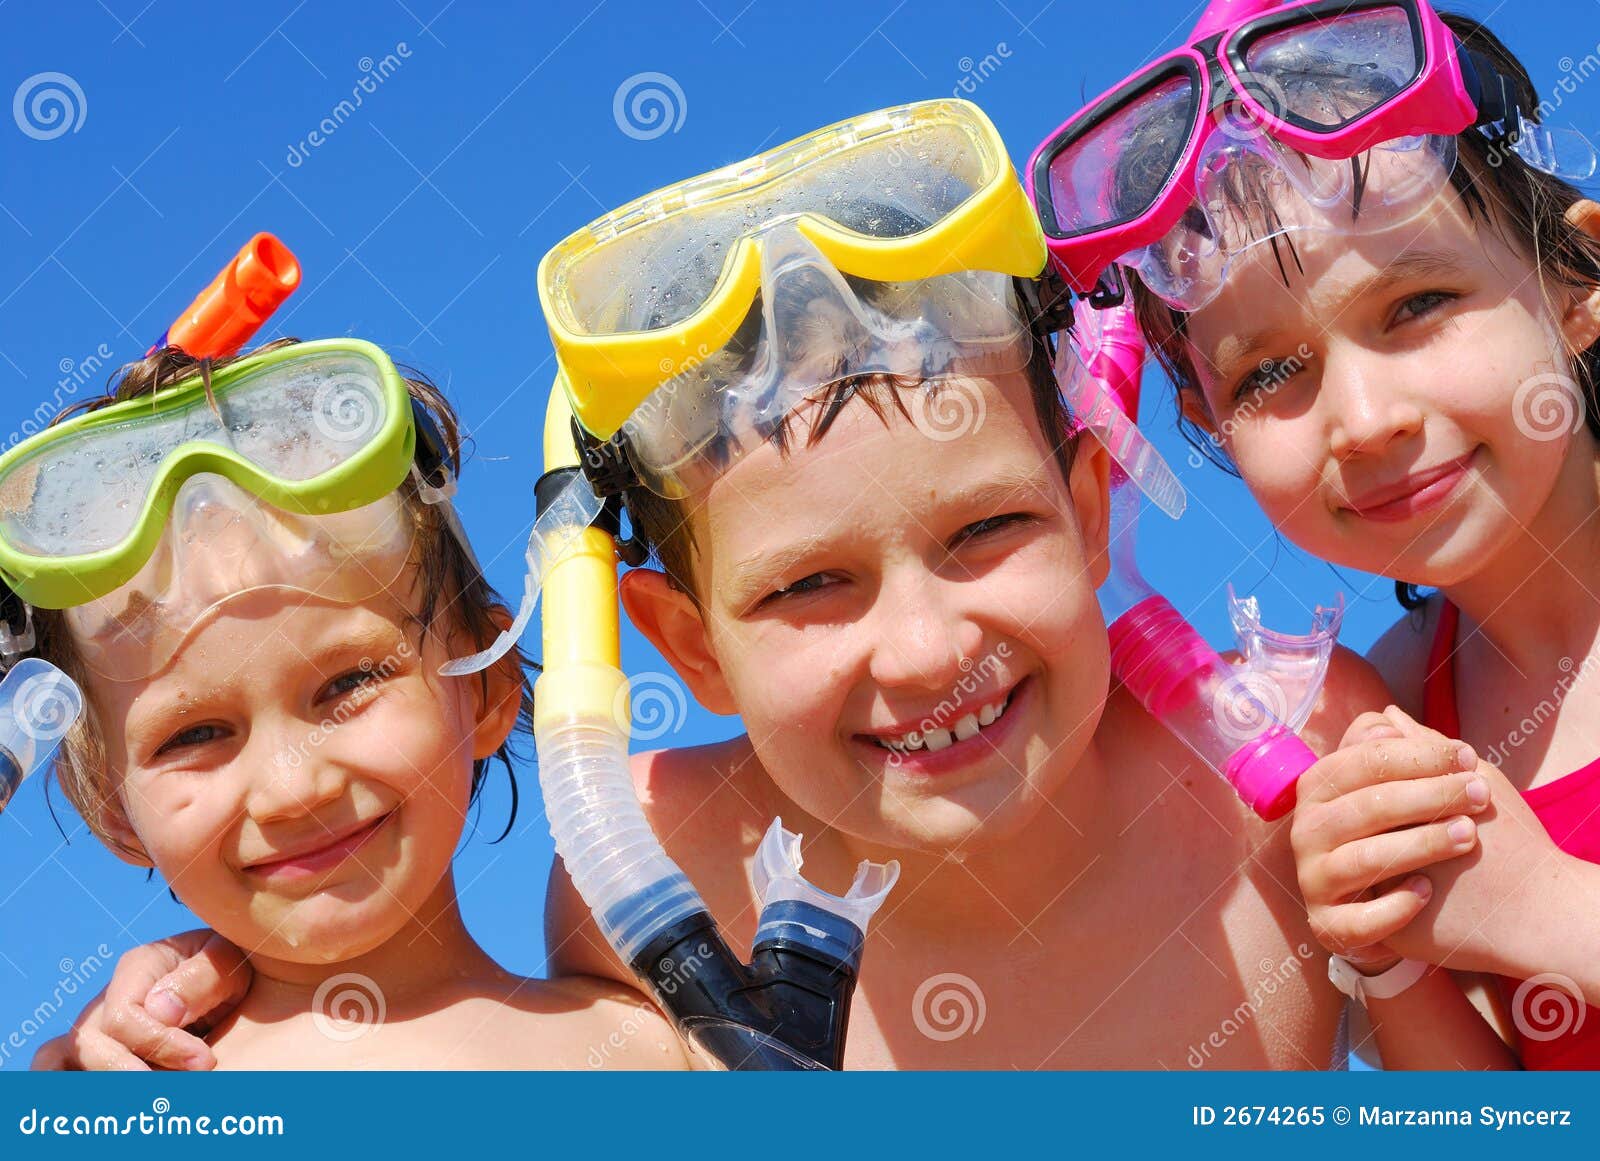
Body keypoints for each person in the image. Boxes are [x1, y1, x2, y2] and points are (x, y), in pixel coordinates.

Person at [50, 101, 1393, 1070]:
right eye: (811, 583)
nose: (924, 649)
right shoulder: (660, 891)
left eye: (983, 530)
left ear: (1094, 516)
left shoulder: (1282, 756)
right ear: (681, 646)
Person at [1026, 0, 1600, 1066]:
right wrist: (1387, 956)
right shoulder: (1392, 713)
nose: (1367, 419)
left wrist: (1548, 913)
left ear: (1575, 284)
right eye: (1272, 373)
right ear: (1207, 424)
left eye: (1417, 303)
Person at [15, 339, 682, 1069]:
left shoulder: (654, 1046)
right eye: (194, 733)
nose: (293, 787)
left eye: (350, 683)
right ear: (109, 806)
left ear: (486, 683)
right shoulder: (133, 1102)